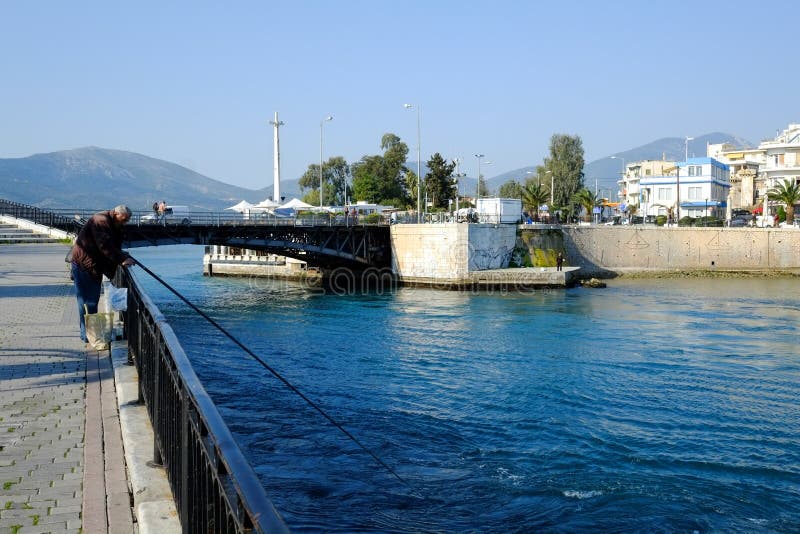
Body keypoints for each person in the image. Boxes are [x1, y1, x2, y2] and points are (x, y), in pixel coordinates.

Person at [71, 205, 136, 343]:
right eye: (124, 220)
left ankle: (91, 333)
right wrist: (121, 259)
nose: (125, 223)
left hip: (92, 266)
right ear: (117, 214)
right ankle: (88, 335)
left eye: (127, 221)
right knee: (87, 302)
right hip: (85, 266)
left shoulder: (112, 222)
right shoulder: (101, 221)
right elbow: (105, 246)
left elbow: (114, 245)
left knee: (91, 300)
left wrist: (123, 255)